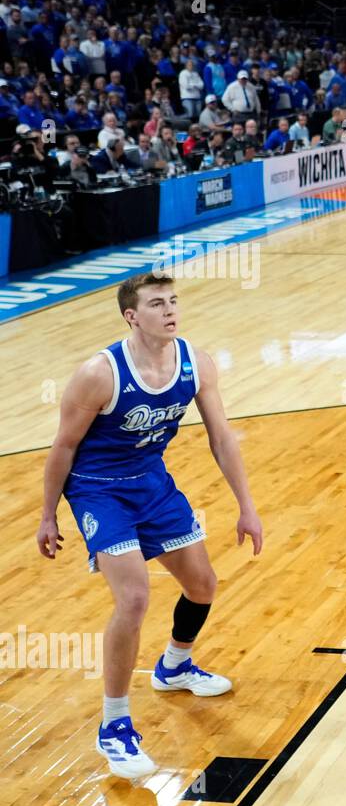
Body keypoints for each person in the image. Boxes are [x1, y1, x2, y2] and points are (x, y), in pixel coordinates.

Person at [36, 274, 264, 779]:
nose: (170, 310)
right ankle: (114, 725)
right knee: (135, 597)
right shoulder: (98, 373)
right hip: (97, 489)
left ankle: (175, 666)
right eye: (157, 303)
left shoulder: (195, 362)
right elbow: (63, 448)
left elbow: (222, 438)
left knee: (203, 585)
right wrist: (48, 514)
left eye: (173, 301)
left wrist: (247, 506)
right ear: (131, 317)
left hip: (151, 482)